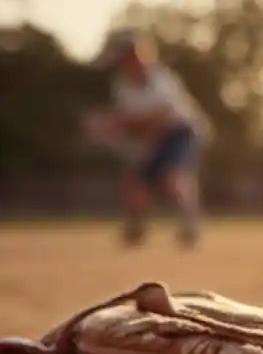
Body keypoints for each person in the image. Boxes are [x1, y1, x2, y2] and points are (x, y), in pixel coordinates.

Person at [86, 30, 210, 248]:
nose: (130, 61)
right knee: (136, 181)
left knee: (173, 177)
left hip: (181, 132)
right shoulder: (123, 86)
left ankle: (190, 227)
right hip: (152, 138)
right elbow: (133, 122)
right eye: (126, 56)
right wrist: (115, 126)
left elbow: (162, 115)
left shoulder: (161, 78)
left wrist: (119, 123)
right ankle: (136, 230)